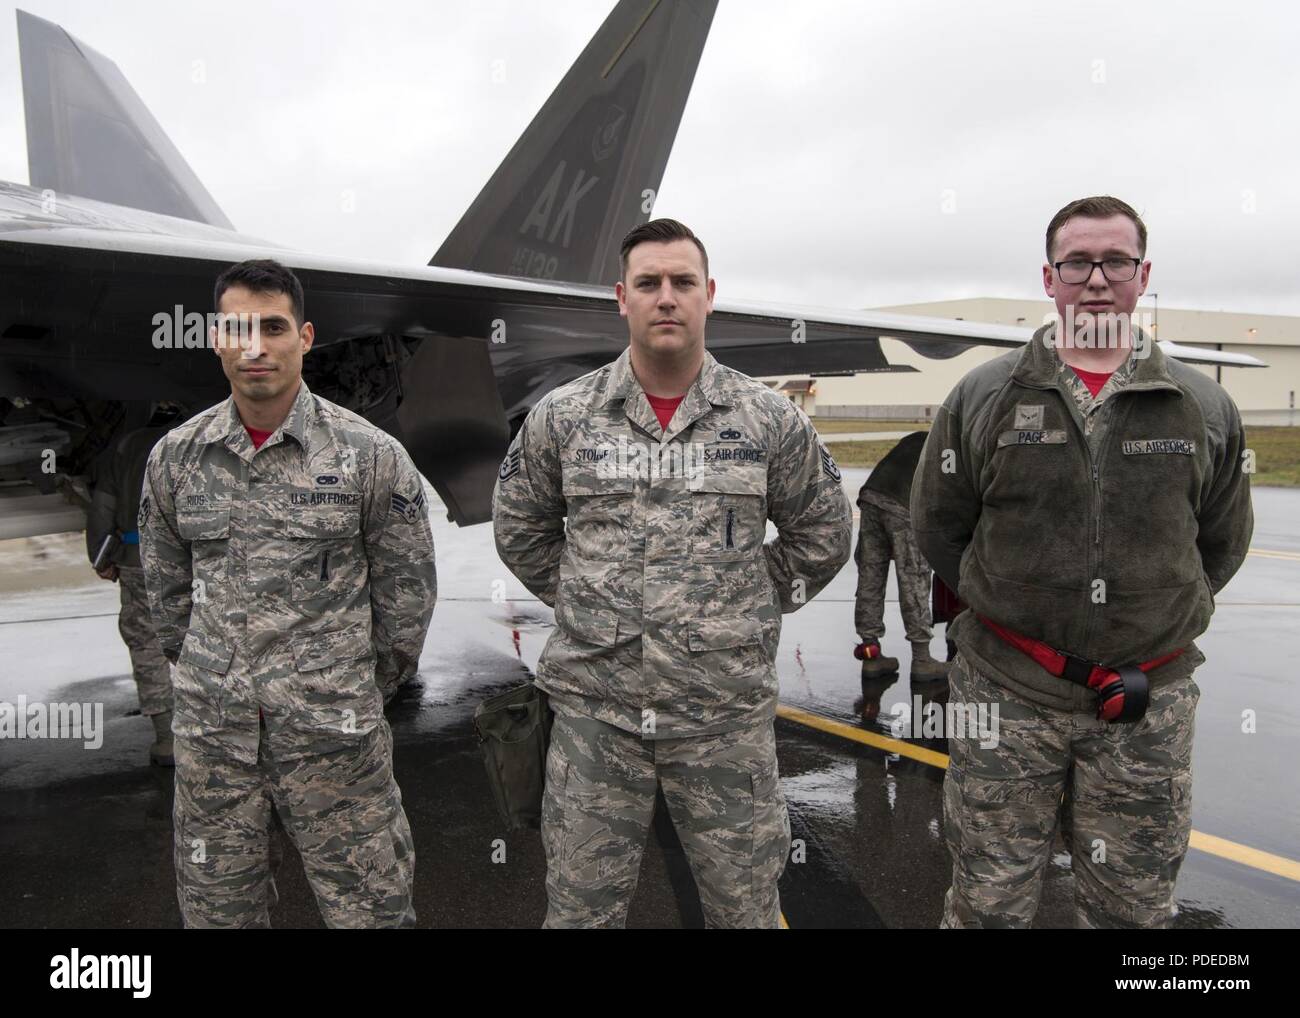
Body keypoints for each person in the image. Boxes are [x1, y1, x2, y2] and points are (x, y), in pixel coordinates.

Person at [493, 219, 852, 928]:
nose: (667, 298)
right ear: (621, 297)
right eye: (650, 283)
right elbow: (521, 527)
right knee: (579, 912)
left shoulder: (766, 419)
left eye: (683, 282)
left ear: (709, 295)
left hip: (723, 719)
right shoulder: (565, 418)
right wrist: (588, 601)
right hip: (599, 717)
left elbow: (825, 532)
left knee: (743, 908)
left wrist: (744, 602)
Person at [911, 196, 1253, 928]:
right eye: (1077, 263)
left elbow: (1221, 540)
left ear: (1142, 274)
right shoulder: (984, 396)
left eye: (1115, 262)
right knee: (987, 903)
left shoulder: (1199, 404)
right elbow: (939, 525)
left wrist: (1147, 617)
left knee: (1133, 909)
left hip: (1144, 705)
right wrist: (1014, 603)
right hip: (1005, 694)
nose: (1096, 279)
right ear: (1049, 277)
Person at [140, 258, 436, 928]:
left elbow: (406, 597)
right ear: (214, 339)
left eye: (272, 327)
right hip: (217, 747)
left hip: (335, 739)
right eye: (238, 329)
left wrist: (348, 685)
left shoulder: (370, 457)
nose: (255, 346)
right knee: (219, 913)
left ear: (304, 337)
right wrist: (220, 680)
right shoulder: (176, 460)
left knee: (370, 910)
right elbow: (166, 599)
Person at [86, 405, 179, 764]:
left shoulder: (125, 447)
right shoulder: (196, 439)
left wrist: (100, 556)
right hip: (193, 561)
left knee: (146, 643)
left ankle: (166, 738)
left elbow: (102, 506)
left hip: (136, 560)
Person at [852, 431, 947, 682]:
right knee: (914, 579)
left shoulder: (916, 438)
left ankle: (871, 655)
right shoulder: (949, 446)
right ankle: (922, 660)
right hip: (903, 507)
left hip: (871, 499)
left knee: (870, 577)